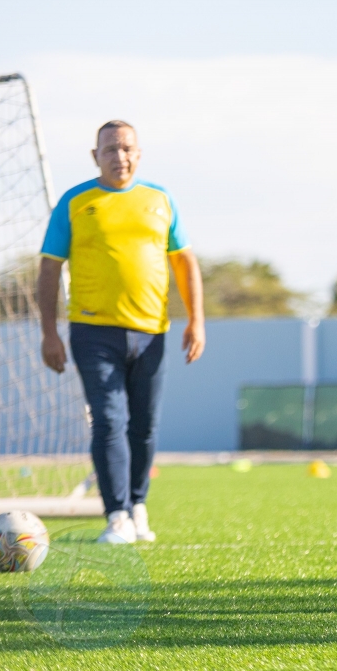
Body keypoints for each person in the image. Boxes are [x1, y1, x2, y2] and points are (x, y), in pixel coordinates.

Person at [37, 120, 205, 544]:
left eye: (127, 148)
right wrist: (49, 333)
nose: (120, 156)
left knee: (144, 426)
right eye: (110, 149)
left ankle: (137, 505)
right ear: (96, 156)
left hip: (151, 332)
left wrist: (196, 320)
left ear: (139, 153)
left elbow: (184, 262)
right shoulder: (75, 202)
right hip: (93, 332)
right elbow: (49, 267)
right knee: (109, 421)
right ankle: (116, 516)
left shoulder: (160, 199)